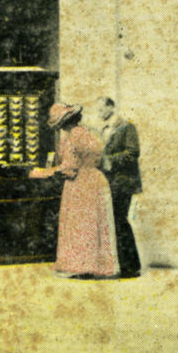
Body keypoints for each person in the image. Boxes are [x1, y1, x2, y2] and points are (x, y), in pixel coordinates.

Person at [35, 102, 117, 279]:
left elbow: (70, 167)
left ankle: (83, 267)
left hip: (80, 183)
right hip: (95, 179)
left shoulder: (72, 137)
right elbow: (100, 160)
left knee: (80, 223)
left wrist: (46, 172)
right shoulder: (88, 134)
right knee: (91, 223)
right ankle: (93, 265)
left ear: (64, 123)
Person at [94, 96, 142, 278]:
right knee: (115, 222)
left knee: (120, 221)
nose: (99, 113)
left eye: (101, 109)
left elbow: (133, 152)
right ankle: (124, 266)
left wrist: (109, 161)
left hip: (123, 182)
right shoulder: (103, 129)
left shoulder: (125, 126)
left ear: (111, 107)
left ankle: (131, 267)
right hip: (109, 182)